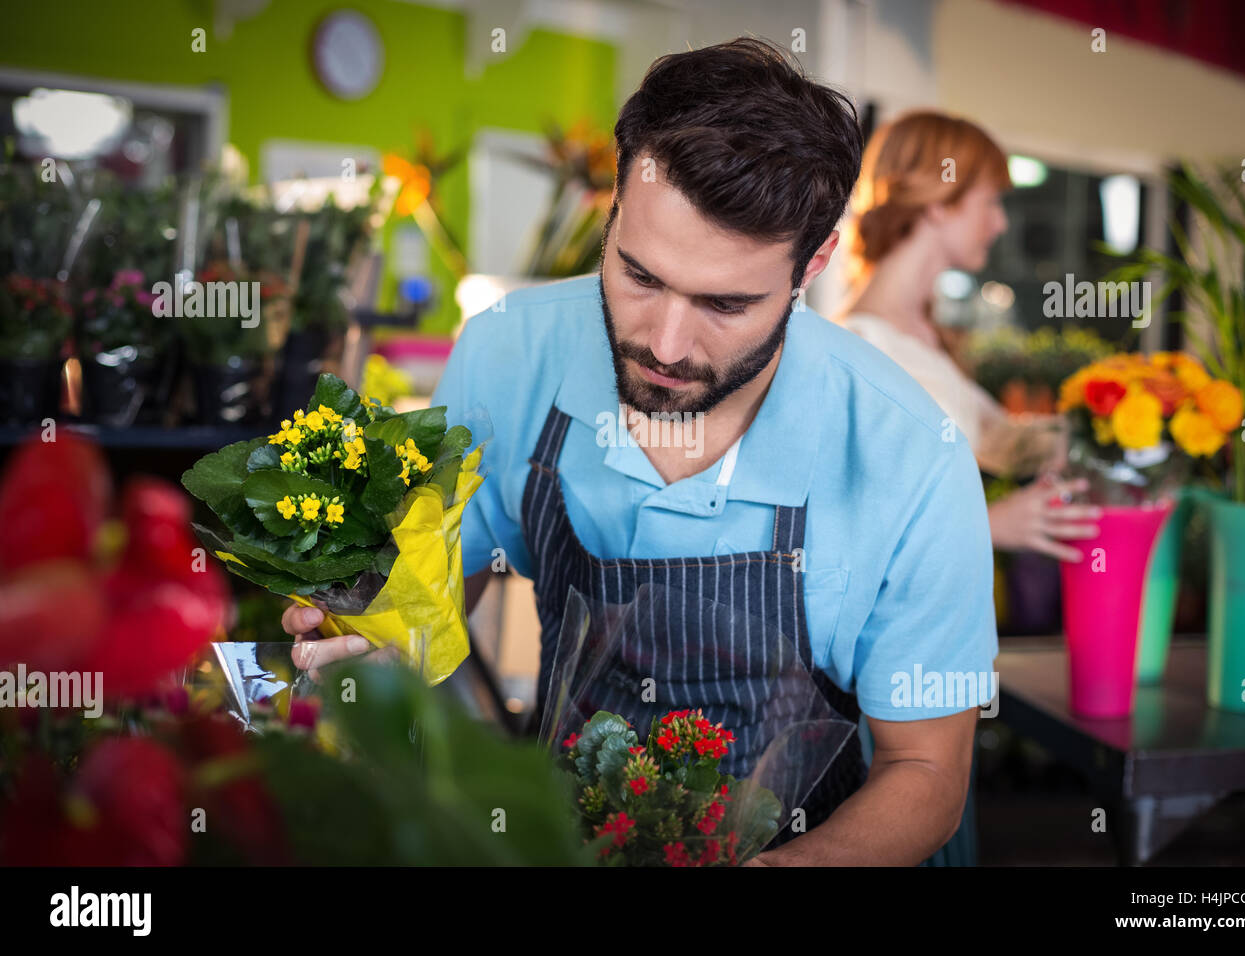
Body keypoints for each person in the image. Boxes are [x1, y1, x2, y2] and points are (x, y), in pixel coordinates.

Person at [285, 39, 997, 866]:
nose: (664, 343)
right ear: (616, 203)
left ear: (815, 264)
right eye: (639, 275)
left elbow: (927, 772)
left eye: (725, 303)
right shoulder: (508, 353)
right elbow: (439, 593)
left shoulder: (911, 456)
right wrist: (372, 634)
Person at [836, 111, 1102, 563]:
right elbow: (853, 522)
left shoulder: (921, 333)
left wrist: (1118, 419)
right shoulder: (862, 346)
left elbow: (1002, 441)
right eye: (991, 201)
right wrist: (991, 524)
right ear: (939, 202)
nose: (1000, 223)